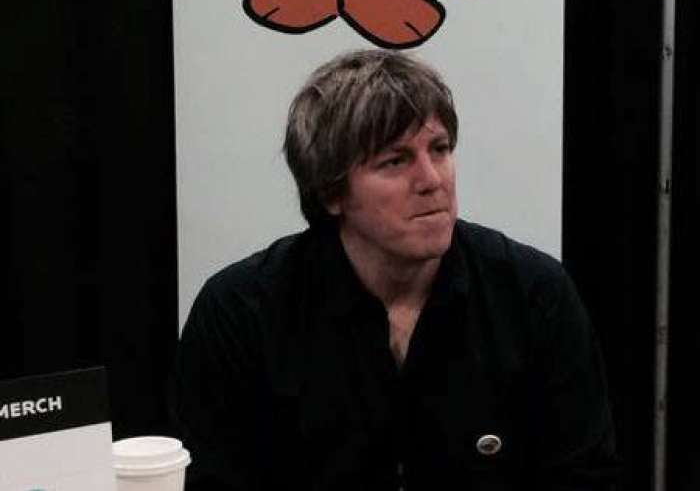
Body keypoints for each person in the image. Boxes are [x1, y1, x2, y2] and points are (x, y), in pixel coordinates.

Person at [173, 50, 619, 490]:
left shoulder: (533, 295)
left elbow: (584, 477)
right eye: (395, 160)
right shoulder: (242, 312)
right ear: (331, 192)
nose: (432, 180)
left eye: (439, 150)